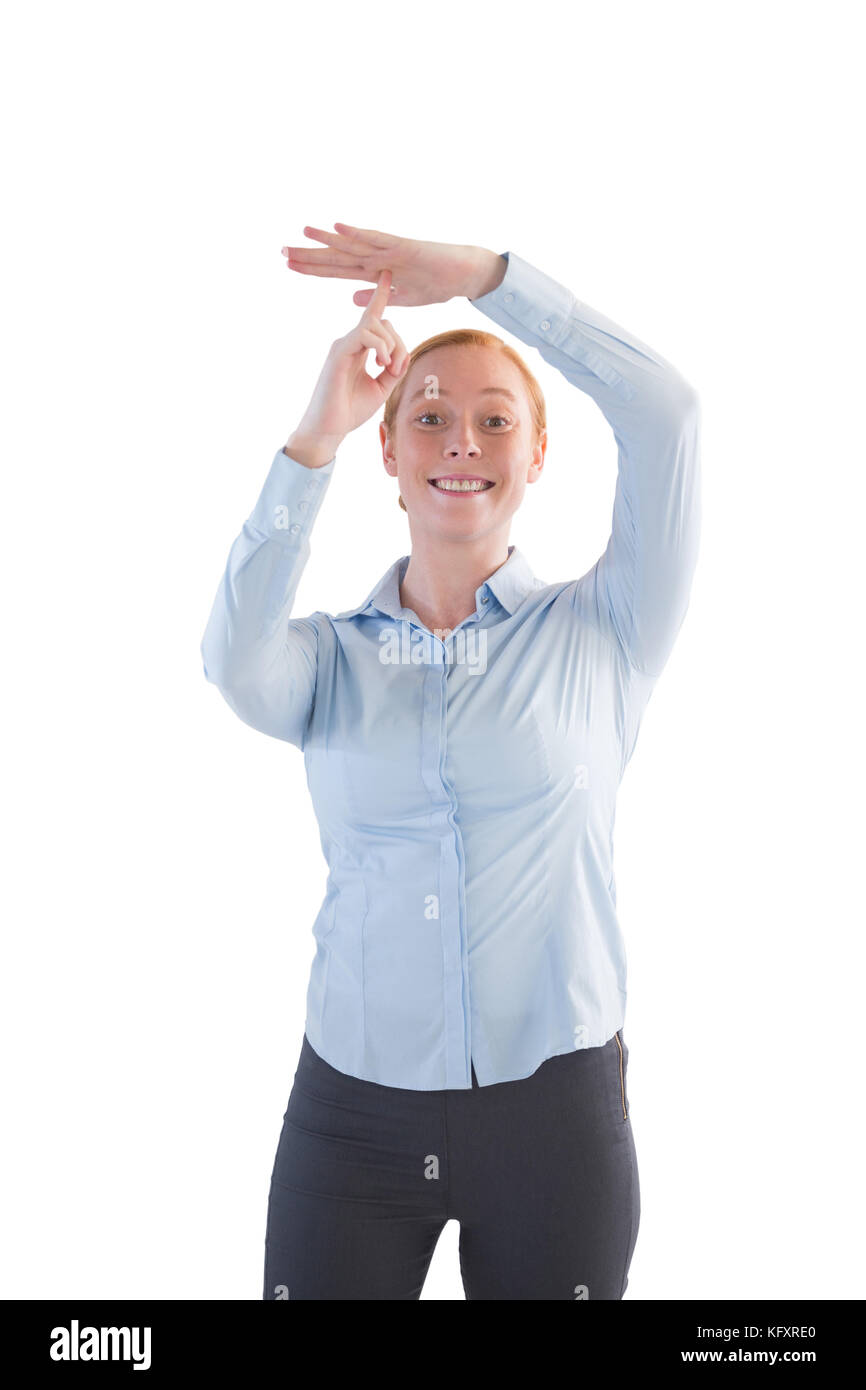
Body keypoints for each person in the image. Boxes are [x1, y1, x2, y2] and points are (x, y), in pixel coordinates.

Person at [200, 224, 702, 1300]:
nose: (459, 442)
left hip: (553, 1112)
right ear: (391, 454)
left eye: (491, 420)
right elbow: (233, 662)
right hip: (352, 1112)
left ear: (534, 453)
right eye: (427, 419)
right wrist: (313, 436)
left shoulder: (607, 630)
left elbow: (667, 413)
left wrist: (486, 281)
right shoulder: (331, 659)